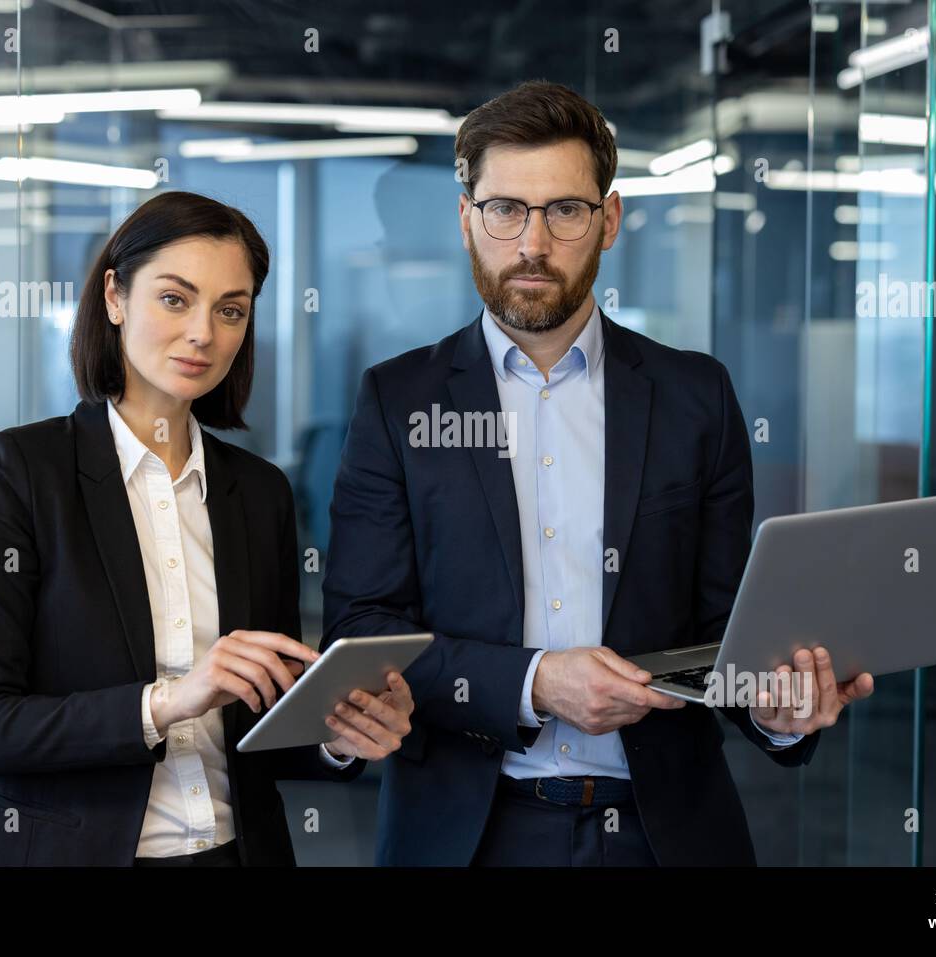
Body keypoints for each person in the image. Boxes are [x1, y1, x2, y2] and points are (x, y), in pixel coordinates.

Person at [321, 81, 874, 866]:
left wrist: (778, 708)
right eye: (505, 209)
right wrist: (535, 683)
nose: (533, 243)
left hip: (664, 832)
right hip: (467, 833)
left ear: (609, 219)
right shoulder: (399, 399)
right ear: (467, 219)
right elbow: (363, 630)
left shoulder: (695, 395)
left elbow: (726, 629)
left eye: (565, 210)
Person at [0, 191, 413, 866]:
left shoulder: (259, 492)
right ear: (115, 296)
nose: (203, 333)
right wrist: (168, 702)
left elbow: (261, 727)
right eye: (174, 299)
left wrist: (339, 735)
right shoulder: (23, 472)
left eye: (230, 310)